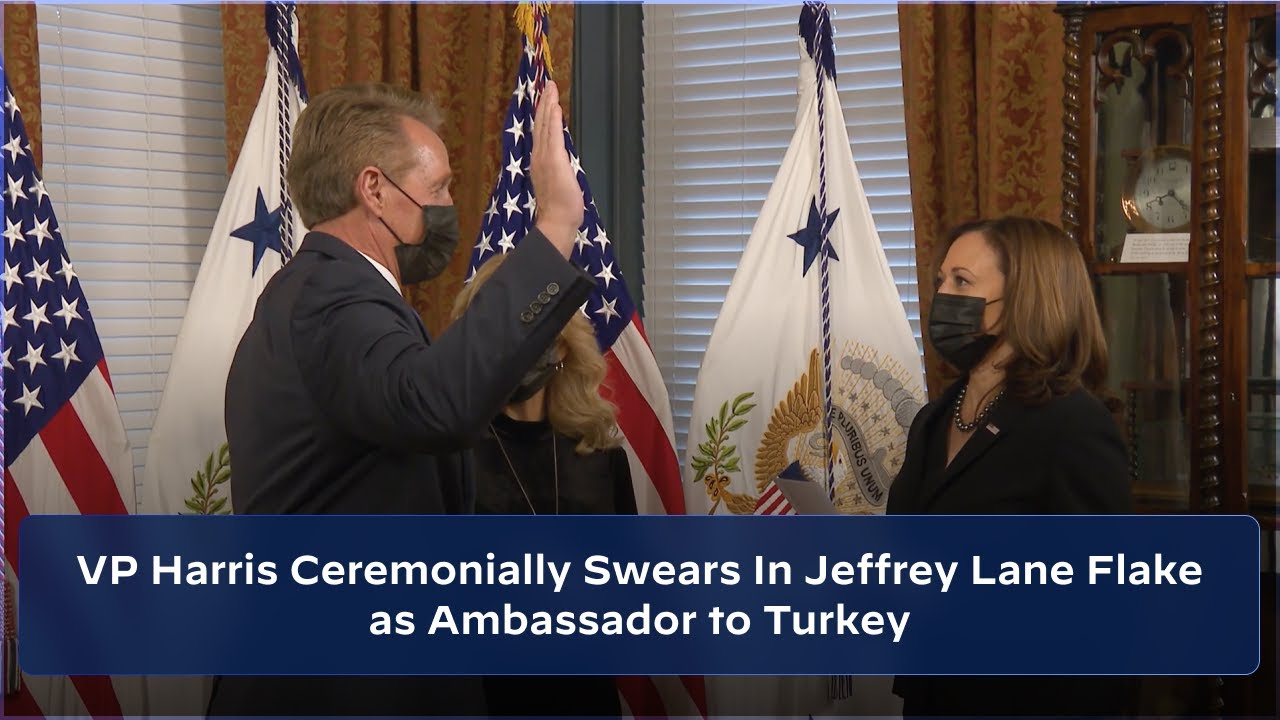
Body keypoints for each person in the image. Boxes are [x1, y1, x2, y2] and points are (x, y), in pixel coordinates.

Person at [207, 81, 593, 716]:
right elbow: (433, 404)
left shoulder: (325, 294)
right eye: (438, 187)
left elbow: (395, 434)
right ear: (375, 189)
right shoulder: (334, 298)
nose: (446, 204)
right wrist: (554, 225)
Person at [887, 216, 1133, 717]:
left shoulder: (1071, 425)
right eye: (940, 281)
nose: (942, 296)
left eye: (962, 282)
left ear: (1024, 299)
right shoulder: (936, 418)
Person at [450, 253, 635, 716]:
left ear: (563, 346)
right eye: (496, 332)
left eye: (527, 328)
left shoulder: (600, 452)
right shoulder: (449, 457)